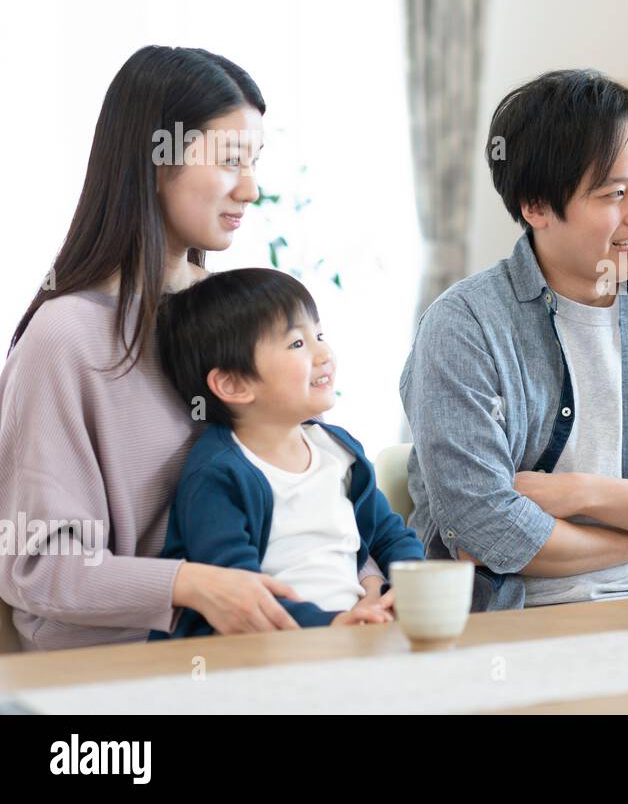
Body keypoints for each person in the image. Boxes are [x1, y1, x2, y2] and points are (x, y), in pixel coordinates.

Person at [0, 46, 388, 649]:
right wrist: (193, 585)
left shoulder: (240, 319)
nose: (252, 190)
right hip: (123, 668)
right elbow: (37, 566)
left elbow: (316, 489)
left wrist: (363, 579)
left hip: (274, 644)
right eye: (231, 161)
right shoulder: (65, 338)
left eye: (255, 162)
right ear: (156, 160)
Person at [400, 69, 628, 610]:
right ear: (536, 206)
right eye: (615, 193)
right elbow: (484, 527)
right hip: (511, 630)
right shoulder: (463, 327)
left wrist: (579, 493)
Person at [149, 268, 423, 638]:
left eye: (320, 335)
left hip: (349, 636)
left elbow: (390, 535)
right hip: (260, 649)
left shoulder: (338, 451)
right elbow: (240, 593)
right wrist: (329, 624)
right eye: (297, 344)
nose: (324, 353)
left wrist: (404, 588)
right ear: (234, 383)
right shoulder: (219, 474)